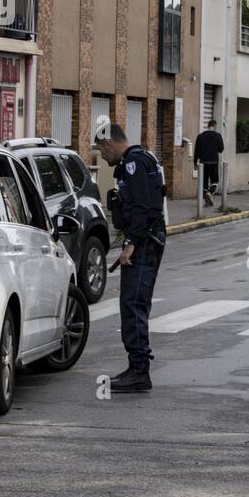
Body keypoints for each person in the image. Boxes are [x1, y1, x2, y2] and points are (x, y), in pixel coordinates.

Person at [96, 123, 166, 393]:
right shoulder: (142, 158)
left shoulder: (134, 163)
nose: (101, 156)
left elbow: (143, 207)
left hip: (144, 240)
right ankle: (136, 367)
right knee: (134, 303)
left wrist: (130, 243)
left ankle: (139, 371)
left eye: (101, 150)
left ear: (110, 144)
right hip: (148, 237)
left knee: (133, 304)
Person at [193, 119, 225, 207]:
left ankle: (206, 201)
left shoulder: (201, 136)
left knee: (204, 182)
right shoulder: (218, 136)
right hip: (213, 162)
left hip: (203, 162)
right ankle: (210, 193)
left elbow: (197, 151)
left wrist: (195, 162)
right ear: (215, 126)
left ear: (208, 126)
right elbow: (221, 149)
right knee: (215, 180)